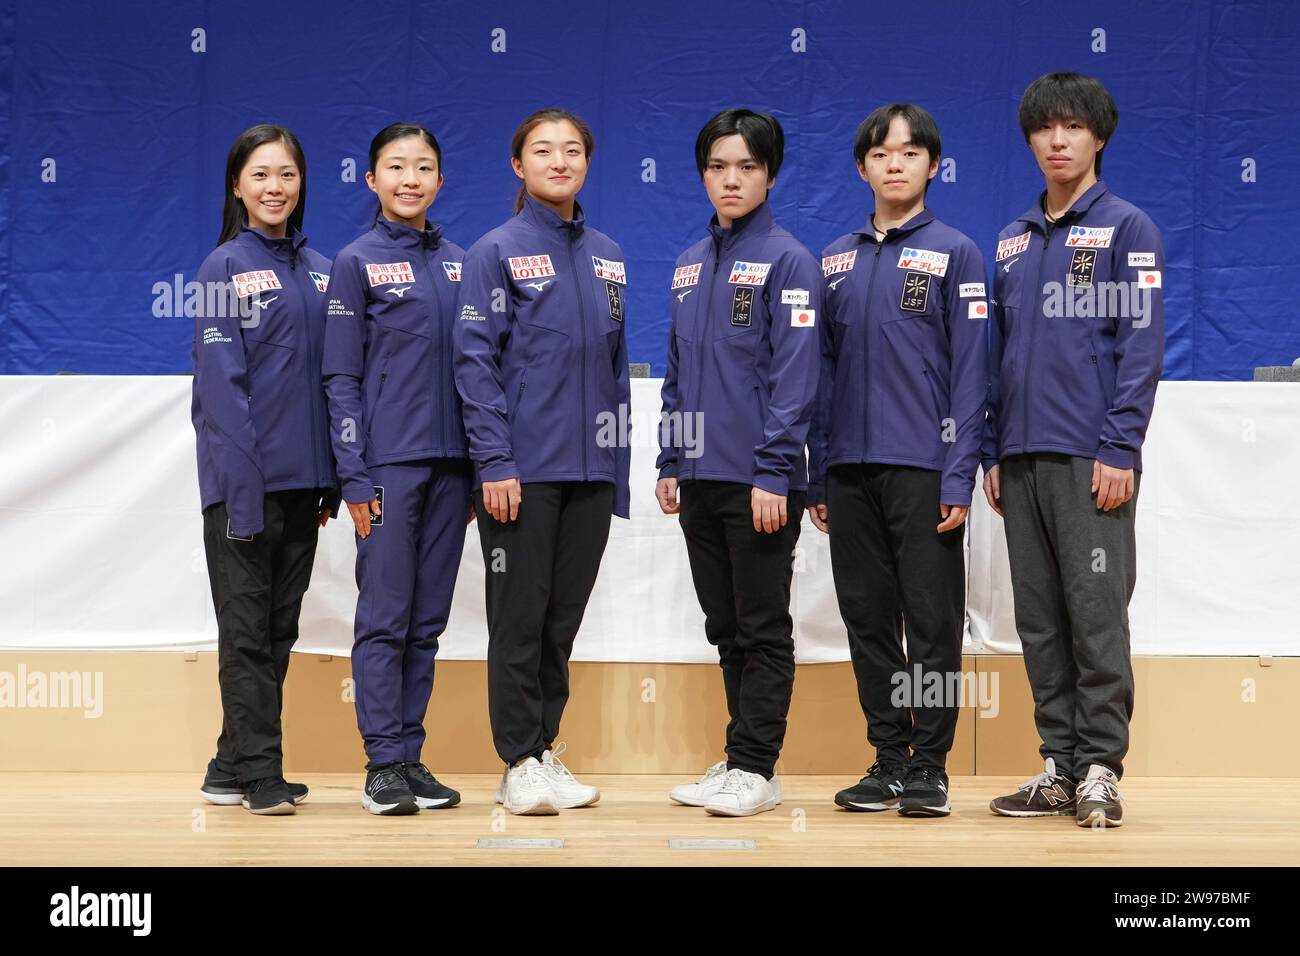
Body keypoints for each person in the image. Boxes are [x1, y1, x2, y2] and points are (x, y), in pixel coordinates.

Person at [983, 73, 1165, 828]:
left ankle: (1100, 767)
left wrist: (1120, 446)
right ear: (1030, 140)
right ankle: (1056, 764)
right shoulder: (1013, 239)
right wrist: (990, 448)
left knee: (1095, 613)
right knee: (1039, 617)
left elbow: (1141, 344)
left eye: (1073, 128)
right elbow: (995, 351)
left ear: (1098, 137)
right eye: (1045, 129)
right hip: (1018, 461)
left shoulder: (1128, 229)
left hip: (1090, 459)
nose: (1058, 141)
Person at [807, 104, 989, 818]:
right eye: (881, 153)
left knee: (933, 621)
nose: (895, 163)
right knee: (869, 620)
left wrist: (958, 472)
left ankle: (930, 765)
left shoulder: (957, 253)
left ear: (932, 166)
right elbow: (819, 374)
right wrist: (820, 467)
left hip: (924, 468)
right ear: (862, 167)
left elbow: (975, 372)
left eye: (910, 153)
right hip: (848, 471)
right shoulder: (834, 260)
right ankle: (887, 758)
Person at [454, 108, 631, 815]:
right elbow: (473, 363)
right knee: (519, 620)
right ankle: (517, 759)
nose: (559, 162)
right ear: (518, 165)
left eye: (572, 151)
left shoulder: (609, 254)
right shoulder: (493, 251)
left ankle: (546, 748)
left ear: (587, 162)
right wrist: (494, 462)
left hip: (590, 474)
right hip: (521, 475)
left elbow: (616, 370)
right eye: (542, 151)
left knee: (561, 621)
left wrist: (617, 469)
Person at [655, 109, 821, 817]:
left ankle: (756, 764)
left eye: (747, 167)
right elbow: (676, 368)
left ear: (770, 175)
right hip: (699, 478)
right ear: (702, 175)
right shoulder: (692, 261)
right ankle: (744, 760)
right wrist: (670, 455)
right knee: (724, 627)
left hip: (760, 482)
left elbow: (796, 375)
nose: (731, 179)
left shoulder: (790, 260)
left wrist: (774, 470)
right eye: (719, 167)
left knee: (761, 626)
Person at [323, 123, 471, 815]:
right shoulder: (354, 262)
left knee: (427, 621)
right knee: (384, 615)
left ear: (441, 181)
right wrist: (354, 474)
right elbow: (340, 376)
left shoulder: (463, 264)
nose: (410, 179)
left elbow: (482, 371)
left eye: (424, 168)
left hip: (453, 472)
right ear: (372, 180)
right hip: (386, 469)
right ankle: (382, 762)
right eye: (396, 167)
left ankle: (411, 757)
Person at [193, 124, 339, 816]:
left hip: (304, 488)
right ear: (237, 186)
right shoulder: (223, 268)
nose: (274, 187)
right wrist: (242, 494)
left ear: (301, 182)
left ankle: (228, 765)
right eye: (260, 175)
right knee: (247, 635)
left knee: (278, 632)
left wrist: (331, 476)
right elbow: (223, 391)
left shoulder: (321, 269)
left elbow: (333, 377)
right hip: (240, 492)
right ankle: (260, 774)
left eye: (286, 174)